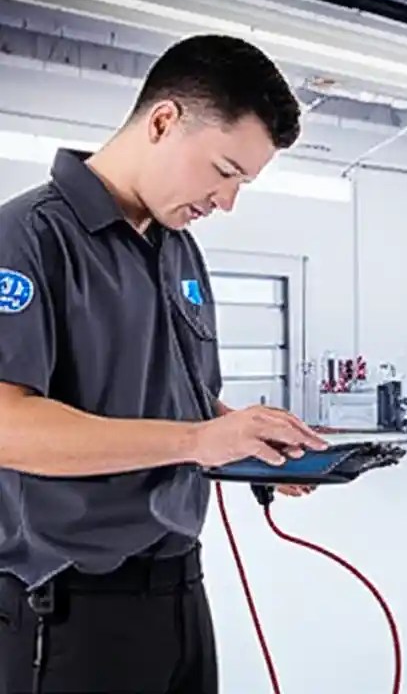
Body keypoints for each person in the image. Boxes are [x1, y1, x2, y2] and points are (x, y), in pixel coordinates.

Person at [0, 34, 330, 693]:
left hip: (181, 589)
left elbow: (178, 400)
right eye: (225, 170)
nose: (227, 200)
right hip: (68, 611)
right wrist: (201, 440)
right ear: (162, 122)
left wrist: (245, 438)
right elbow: (9, 426)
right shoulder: (28, 237)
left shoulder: (178, 250)